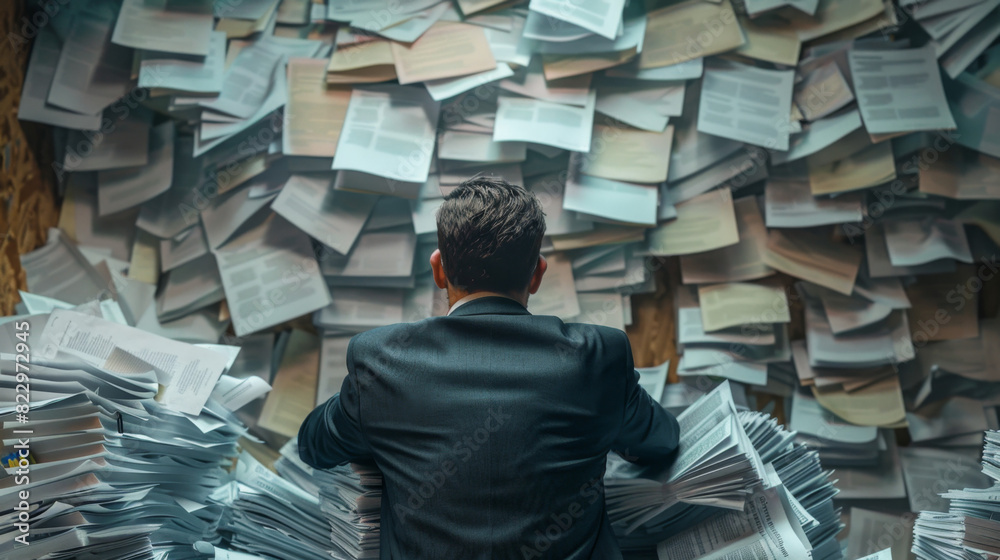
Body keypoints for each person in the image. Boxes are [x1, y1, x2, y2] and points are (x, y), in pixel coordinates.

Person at [298, 177, 680, 559]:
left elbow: (314, 446)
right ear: (537, 273)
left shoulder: (380, 359)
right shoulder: (598, 355)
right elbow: (660, 441)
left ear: (439, 270)